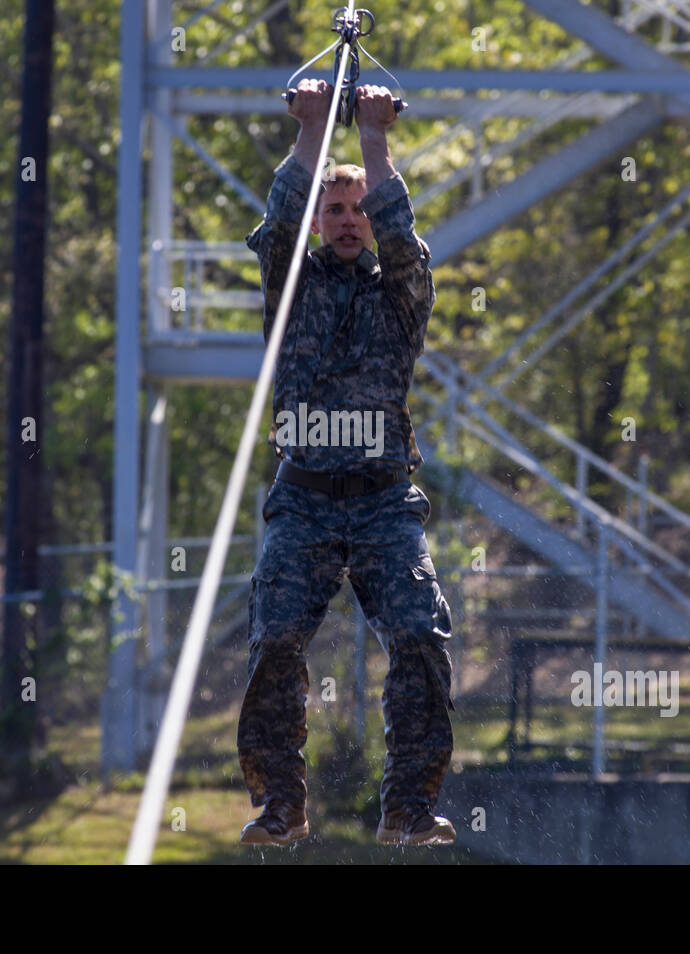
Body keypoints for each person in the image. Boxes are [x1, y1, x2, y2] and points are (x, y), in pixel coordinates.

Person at [236, 78, 457, 847]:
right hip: (302, 498)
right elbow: (279, 222)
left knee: (421, 637)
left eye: (359, 210)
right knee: (273, 640)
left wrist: (372, 138)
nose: (349, 222)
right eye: (336, 211)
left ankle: (408, 804)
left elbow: (402, 234)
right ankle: (280, 803)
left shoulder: (402, 294)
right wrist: (308, 129)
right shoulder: (290, 288)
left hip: (384, 500)